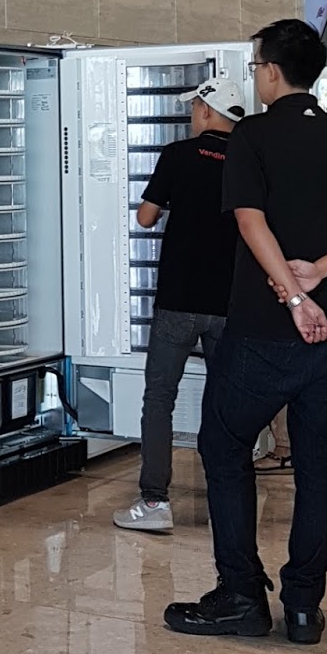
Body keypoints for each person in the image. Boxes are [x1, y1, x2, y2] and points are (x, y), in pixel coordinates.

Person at [164, 19, 327, 646]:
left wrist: (291, 295)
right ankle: (301, 606)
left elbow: (249, 220)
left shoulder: (253, 138)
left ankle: (240, 594)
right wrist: (318, 274)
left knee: (224, 444)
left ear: (269, 71)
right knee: (321, 465)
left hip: (264, 330)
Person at [114, 76, 246, 533]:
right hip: (229, 304)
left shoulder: (177, 156)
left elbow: (146, 216)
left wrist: (183, 206)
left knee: (160, 398)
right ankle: (225, 498)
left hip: (177, 300)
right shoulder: (248, 160)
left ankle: (155, 502)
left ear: (207, 112)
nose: (192, 115)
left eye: (194, 108)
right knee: (224, 401)